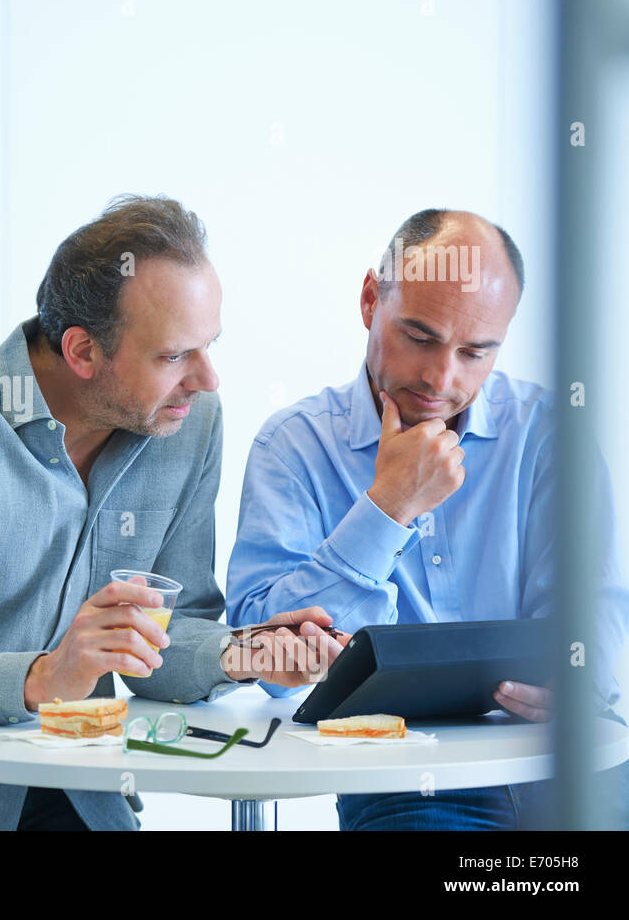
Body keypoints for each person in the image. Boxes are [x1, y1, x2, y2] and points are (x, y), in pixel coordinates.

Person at [0, 194, 347, 830]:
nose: (208, 379)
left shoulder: (186, 424)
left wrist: (238, 654)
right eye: (173, 356)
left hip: (68, 773)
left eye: (208, 346)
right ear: (82, 352)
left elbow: (165, 636)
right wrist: (44, 676)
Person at [225, 208, 629, 830]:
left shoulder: (550, 436)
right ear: (369, 300)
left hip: (568, 760)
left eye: (475, 351)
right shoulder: (293, 447)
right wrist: (389, 507)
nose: (442, 378)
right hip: (409, 781)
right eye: (420, 337)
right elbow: (263, 659)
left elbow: (596, 613)